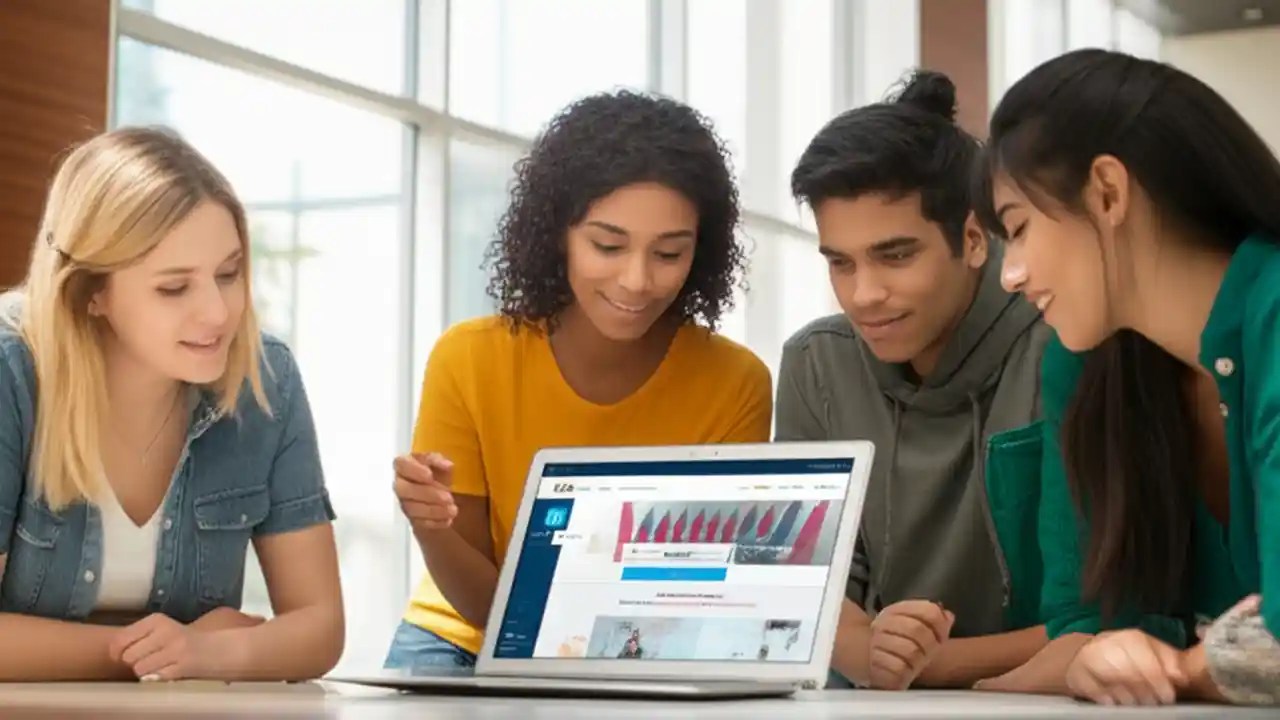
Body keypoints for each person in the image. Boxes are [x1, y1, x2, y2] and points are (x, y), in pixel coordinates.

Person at [384, 90, 773, 670]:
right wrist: (431, 529)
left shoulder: (736, 382)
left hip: (643, 655)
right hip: (464, 640)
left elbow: (700, 599)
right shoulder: (467, 359)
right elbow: (483, 607)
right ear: (556, 233)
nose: (637, 280)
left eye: (669, 253)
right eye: (607, 245)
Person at [972, 48, 1280, 706]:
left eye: (1019, 228)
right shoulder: (1089, 366)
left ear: (1108, 191)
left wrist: (1168, 669)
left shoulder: (1275, 307)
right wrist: (1103, 654)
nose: (1011, 274)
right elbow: (1084, 623)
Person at [0, 127, 343, 682]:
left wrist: (207, 654)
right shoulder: (10, 372)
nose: (217, 313)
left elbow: (320, 627)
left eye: (228, 274)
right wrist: (155, 652)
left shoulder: (265, 379)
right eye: (174, 288)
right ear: (91, 292)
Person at [779, 70, 1050, 690]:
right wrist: (866, 651)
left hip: (1050, 696)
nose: (864, 295)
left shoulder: (1062, 344)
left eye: (895, 256)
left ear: (976, 239)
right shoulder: (816, 364)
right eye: (840, 263)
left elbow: (1110, 611)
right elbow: (812, 585)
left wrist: (933, 664)